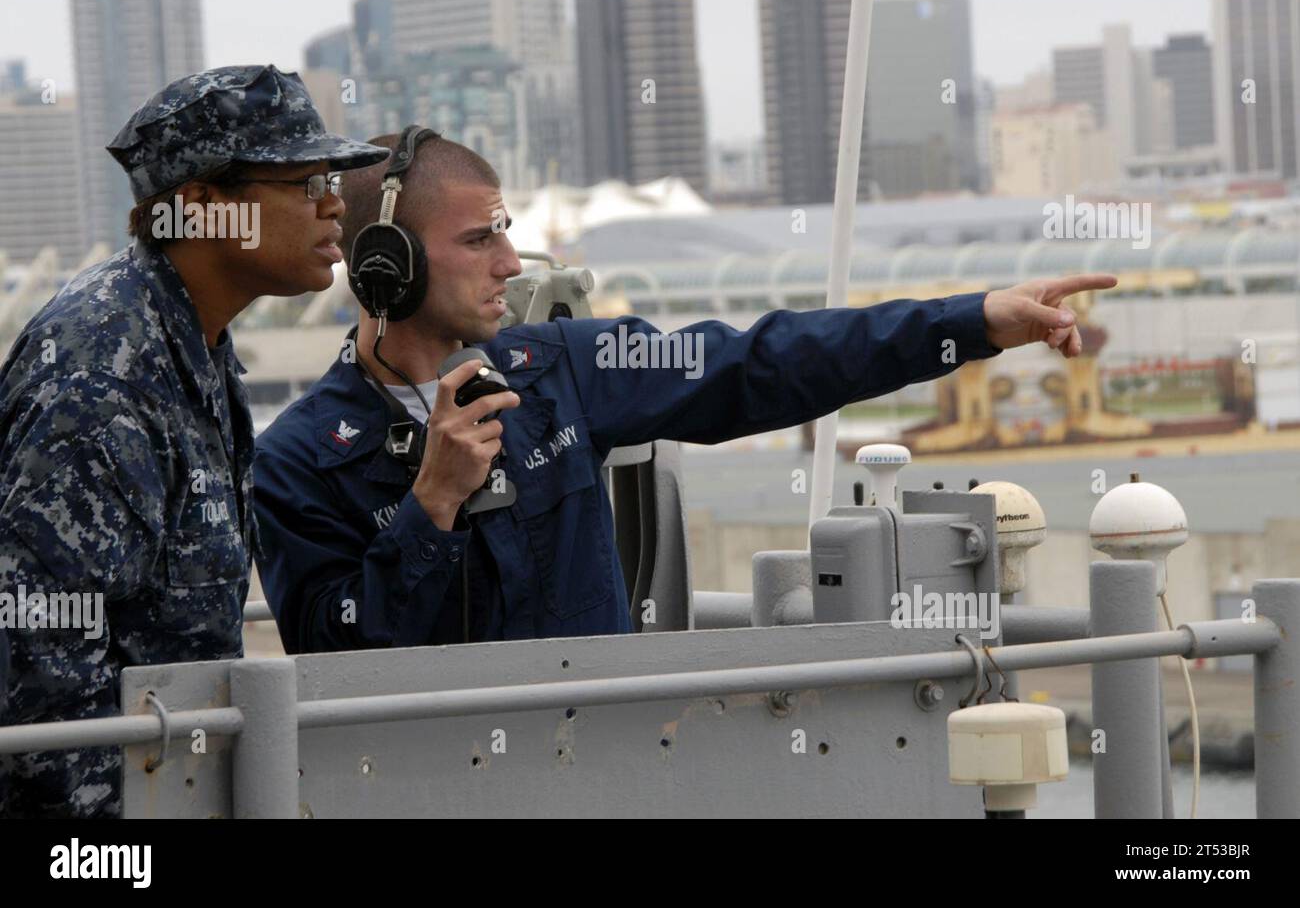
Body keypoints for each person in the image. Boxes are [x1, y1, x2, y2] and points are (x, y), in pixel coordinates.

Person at [253, 128, 1116, 655]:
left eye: (506, 234)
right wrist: (429, 507)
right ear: (387, 266)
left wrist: (971, 322)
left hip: (608, 762)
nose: (512, 266)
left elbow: (758, 361)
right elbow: (337, 657)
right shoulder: (294, 463)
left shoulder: (556, 370)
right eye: (479, 240)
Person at [0, 64, 389, 818]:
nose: (335, 206)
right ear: (205, 210)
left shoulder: (190, 340)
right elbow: (41, 690)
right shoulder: (102, 373)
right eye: (306, 185)